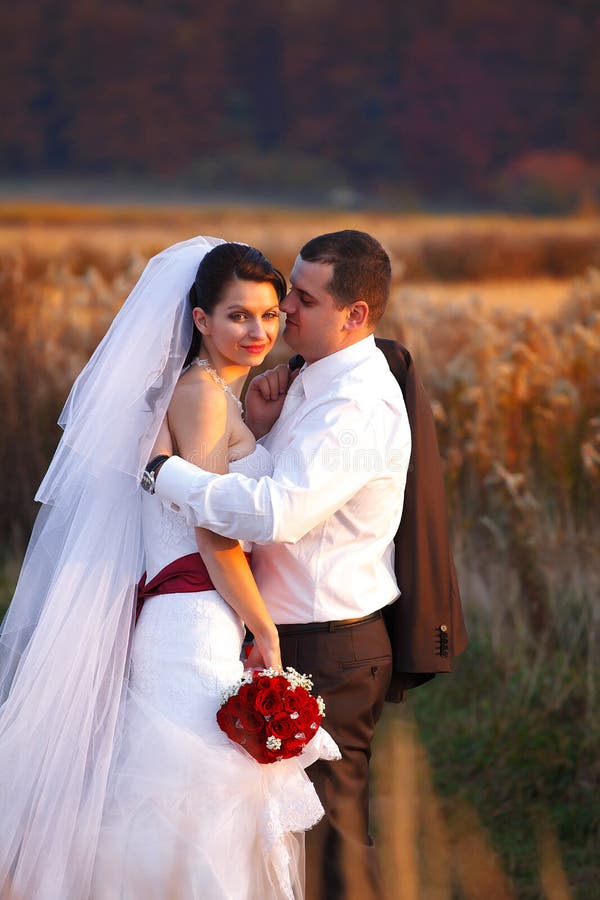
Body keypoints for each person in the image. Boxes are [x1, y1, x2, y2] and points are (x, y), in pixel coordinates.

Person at [0, 236, 338, 900]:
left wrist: (257, 427)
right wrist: (264, 630)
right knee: (192, 797)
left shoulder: (214, 395)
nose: (259, 330)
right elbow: (214, 536)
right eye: (239, 315)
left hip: (198, 617)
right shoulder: (202, 397)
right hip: (193, 624)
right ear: (201, 320)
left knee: (197, 796)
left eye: (270, 315)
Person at [149, 230, 414, 900]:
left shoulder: (353, 403)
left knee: (331, 850)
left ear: (353, 314)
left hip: (330, 644)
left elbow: (277, 513)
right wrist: (258, 432)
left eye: (300, 297)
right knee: (283, 843)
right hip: (276, 630)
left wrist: (165, 475)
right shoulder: (307, 379)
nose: (284, 310)